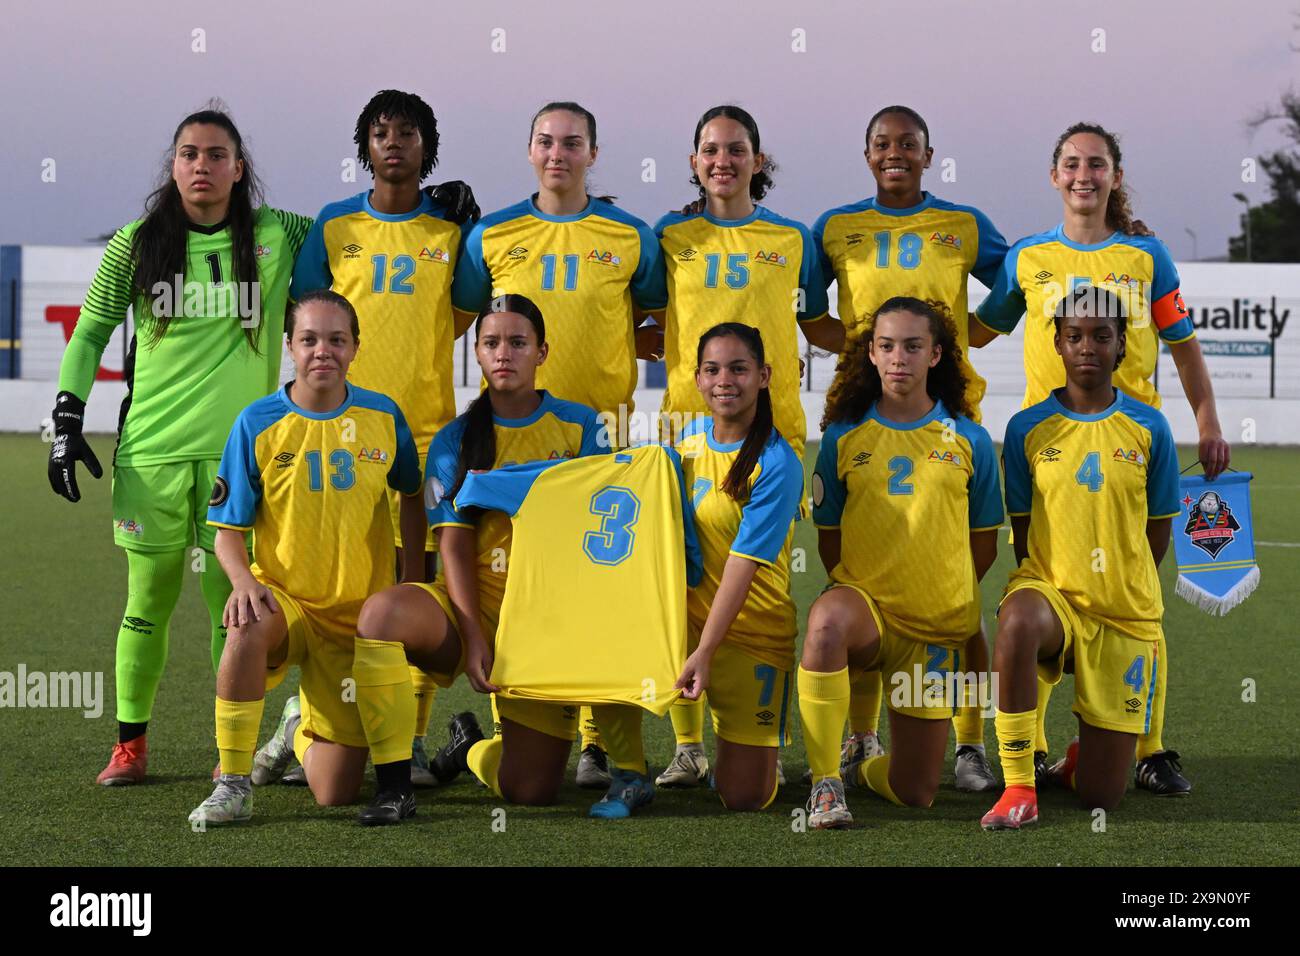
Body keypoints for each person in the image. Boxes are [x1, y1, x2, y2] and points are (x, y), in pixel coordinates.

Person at [46, 107, 311, 786]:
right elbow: (91, 331)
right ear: (174, 164)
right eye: (190, 153)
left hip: (242, 463)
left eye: (217, 154)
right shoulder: (138, 242)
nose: (202, 165)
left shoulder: (280, 235)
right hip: (153, 454)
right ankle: (130, 747)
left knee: (238, 608)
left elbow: (361, 231)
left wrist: (434, 206)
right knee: (148, 599)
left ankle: (235, 753)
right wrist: (67, 420)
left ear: (239, 169)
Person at [971, 122, 1228, 795]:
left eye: (1097, 164)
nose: (1084, 175)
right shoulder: (1027, 258)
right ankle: (1037, 748)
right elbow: (979, 328)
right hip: (1049, 450)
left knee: (1135, 585)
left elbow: (1185, 347)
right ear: (1053, 176)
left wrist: (1207, 422)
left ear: (1115, 176)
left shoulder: (1148, 258)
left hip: (1129, 449)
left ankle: (1151, 746)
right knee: (1043, 582)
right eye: (1072, 164)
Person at [451, 101, 667, 786]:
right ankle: (509, 729)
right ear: (529, 150)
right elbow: (461, 319)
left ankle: (598, 744)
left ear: (593, 154)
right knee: (520, 587)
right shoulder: (492, 235)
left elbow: (660, 320)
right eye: (546, 141)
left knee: (600, 591)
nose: (558, 153)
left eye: (572, 142)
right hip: (519, 444)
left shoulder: (632, 236)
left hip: (601, 447)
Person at [273, 89, 479, 787]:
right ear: (364, 148)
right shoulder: (333, 226)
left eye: (408, 133)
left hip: (422, 436)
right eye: (381, 132)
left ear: (428, 148)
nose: (394, 142)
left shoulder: (451, 232)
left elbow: (463, 315)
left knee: (409, 586)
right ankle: (305, 722)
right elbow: (305, 319)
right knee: (331, 581)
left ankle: (411, 740)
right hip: (337, 436)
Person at [810, 105, 1011, 792]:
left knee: (955, 583)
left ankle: (971, 744)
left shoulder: (962, 224)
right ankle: (861, 733)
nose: (895, 154)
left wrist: (968, 337)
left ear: (930, 154)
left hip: (944, 410)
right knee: (862, 568)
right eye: (882, 144)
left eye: (908, 145)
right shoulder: (836, 227)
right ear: (865, 153)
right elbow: (809, 308)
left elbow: (1016, 277)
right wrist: (866, 354)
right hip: (866, 412)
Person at [647, 105, 842, 786]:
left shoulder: (793, 239)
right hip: (685, 434)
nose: (722, 161)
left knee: (754, 574)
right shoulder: (669, 235)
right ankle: (686, 741)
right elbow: (636, 318)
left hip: (768, 436)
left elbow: (816, 323)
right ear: (694, 162)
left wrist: (886, 361)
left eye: (736, 150)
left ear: (759, 161)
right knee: (680, 572)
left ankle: (763, 724)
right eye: (709, 150)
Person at [187, 290, 421, 825]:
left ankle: (297, 726)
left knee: (334, 791)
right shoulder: (257, 422)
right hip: (286, 604)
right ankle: (233, 783)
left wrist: (409, 582)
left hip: (357, 621)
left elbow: (412, 493)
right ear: (290, 346)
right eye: (310, 339)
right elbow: (225, 532)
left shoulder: (383, 416)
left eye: (337, 340)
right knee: (245, 623)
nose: (323, 351)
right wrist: (243, 581)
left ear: (355, 348)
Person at [799, 297, 1002, 829]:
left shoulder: (971, 440)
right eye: (886, 346)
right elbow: (830, 544)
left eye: (913, 346)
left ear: (936, 355)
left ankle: (861, 767)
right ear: (870, 353)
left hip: (931, 628)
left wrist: (935, 587)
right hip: (867, 615)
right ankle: (824, 784)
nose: (899, 359)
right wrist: (865, 588)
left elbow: (983, 547)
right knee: (825, 621)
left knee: (915, 792)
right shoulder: (843, 437)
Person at [981, 284, 1178, 830]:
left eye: (1101, 336)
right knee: (1017, 617)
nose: (1087, 346)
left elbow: (1157, 531)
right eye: (1074, 336)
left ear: (1121, 347)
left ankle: (1074, 766)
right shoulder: (1025, 428)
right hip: (1054, 597)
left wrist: (1122, 581)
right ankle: (1019, 786)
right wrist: (1051, 584)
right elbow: (1023, 533)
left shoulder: (1150, 428)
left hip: (1124, 611)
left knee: (1102, 795)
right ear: (1058, 345)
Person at [671, 323, 803, 810]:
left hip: (752, 636)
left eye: (738, 368)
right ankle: (654, 758)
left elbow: (739, 569)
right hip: (682, 631)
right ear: (699, 379)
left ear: (764, 376)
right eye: (712, 369)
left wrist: (706, 650)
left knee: (746, 798)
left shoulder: (777, 462)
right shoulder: (685, 443)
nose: (724, 379)